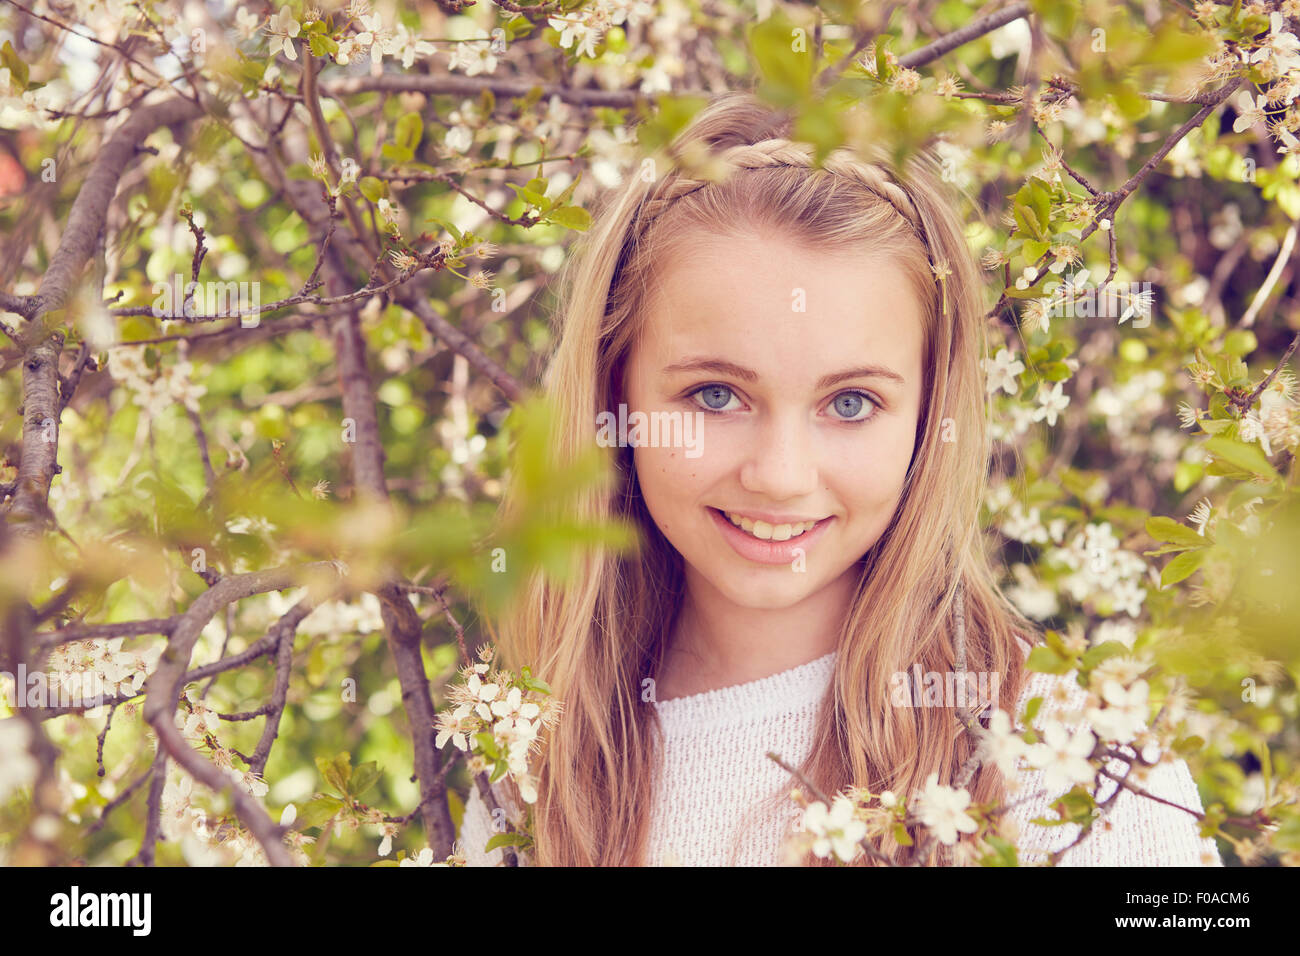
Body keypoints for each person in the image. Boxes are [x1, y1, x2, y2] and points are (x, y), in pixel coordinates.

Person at [456, 90, 1222, 866]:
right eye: (715, 396)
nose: (781, 476)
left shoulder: (1069, 750)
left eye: (851, 403)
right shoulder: (541, 750)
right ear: (614, 392)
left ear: (928, 415)